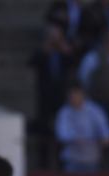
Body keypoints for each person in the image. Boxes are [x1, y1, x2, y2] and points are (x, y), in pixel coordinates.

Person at [28, 24, 75, 168]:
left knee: (61, 130)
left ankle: (61, 164)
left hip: (60, 96)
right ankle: (43, 164)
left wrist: (67, 51)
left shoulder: (63, 51)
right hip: (44, 97)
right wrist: (44, 50)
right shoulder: (42, 51)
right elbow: (31, 62)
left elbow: (73, 64)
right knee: (43, 131)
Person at [54, 83, 109, 172]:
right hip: (72, 160)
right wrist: (74, 137)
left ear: (82, 94)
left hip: (92, 159)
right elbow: (61, 133)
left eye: (76, 94)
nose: (74, 98)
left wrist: (106, 136)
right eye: (71, 95)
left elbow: (104, 127)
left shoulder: (94, 109)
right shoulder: (63, 113)